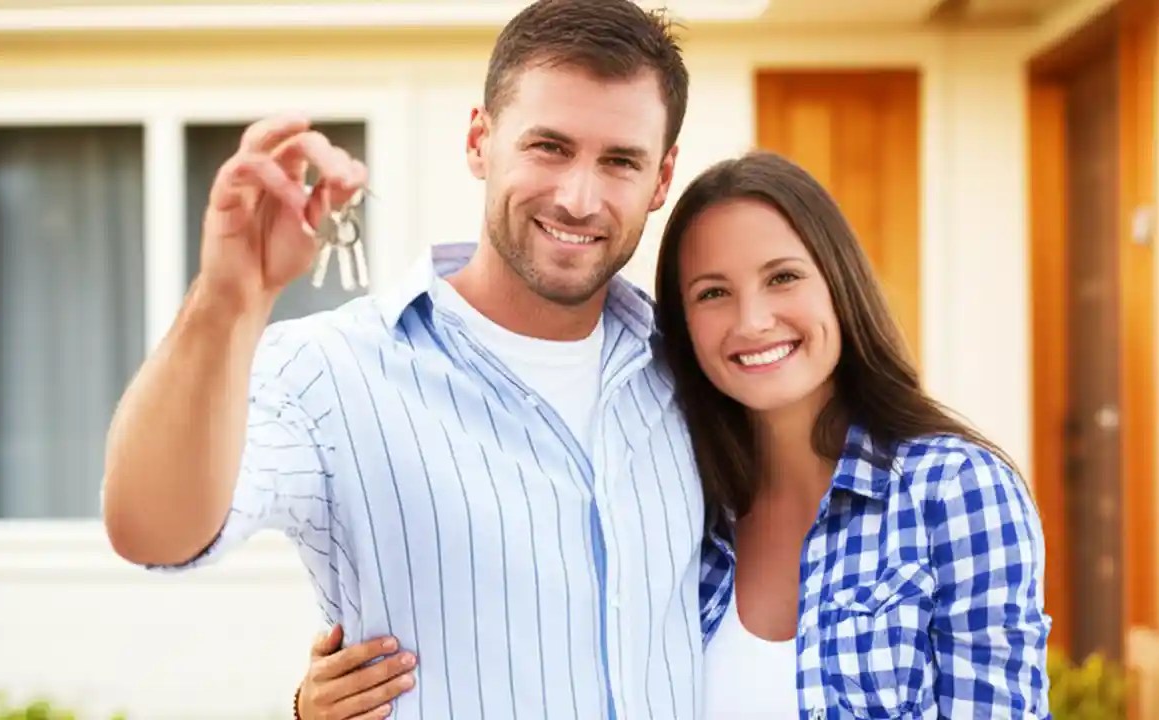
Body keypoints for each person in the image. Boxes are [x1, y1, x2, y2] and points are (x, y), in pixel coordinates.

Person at [100, 1, 704, 719]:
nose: (578, 197)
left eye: (619, 161)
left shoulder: (695, 375)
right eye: (548, 147)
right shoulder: (331, 372)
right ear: (480, 141)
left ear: (662, 178)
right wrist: (229, 299)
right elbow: (152, 533)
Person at [299, 152, 1054, 719]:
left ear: (839, 284)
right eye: (713, 293)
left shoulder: (952, 489)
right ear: (683, 325)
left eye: (784, 277)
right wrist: (322, 704)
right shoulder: (676, 497)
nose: (753, 320)